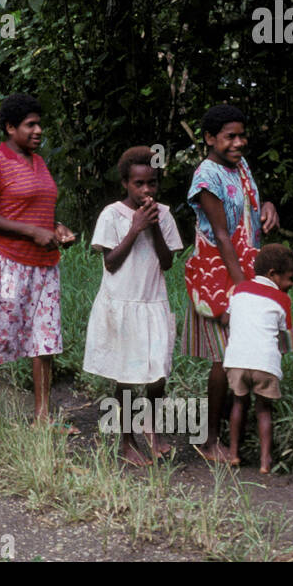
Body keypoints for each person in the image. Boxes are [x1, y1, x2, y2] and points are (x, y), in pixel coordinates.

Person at [0, 94, 77, 426]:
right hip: (8, 264)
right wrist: (29, 232)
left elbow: (38, 210)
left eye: (39, 124)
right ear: (10, 128)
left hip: (45, 266)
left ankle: (42, 416)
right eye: (29, 125)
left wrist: (56, 228)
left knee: (45, 338)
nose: (38, 131)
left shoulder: (39, 162)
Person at [182, 104, 281, 462]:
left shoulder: (239, 166)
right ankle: (208, 439)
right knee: (224, 358)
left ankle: (227, 433)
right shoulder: (206, 178)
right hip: (217, 276)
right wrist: (245, 291)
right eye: (229, 136)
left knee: (239, 353)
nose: (238, 142)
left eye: (242, 135)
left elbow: (248, 209)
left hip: (244, 269)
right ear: (210, 139)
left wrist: (267, 204)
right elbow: (222, 236)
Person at [84, 146, 184, 465]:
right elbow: (111, 262)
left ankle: (151, 428)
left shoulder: (164, 215)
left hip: (152, 300)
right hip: (121, 304)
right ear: (125, 183)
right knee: (126, 376)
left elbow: (167, 262)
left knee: (157, 374)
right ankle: (126, 442)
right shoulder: (112, 215)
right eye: (138, 184)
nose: (145, 190)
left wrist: (152, 224)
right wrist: (136, 226)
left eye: (151, 183)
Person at [223, 243, 293, 473]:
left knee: (238, 403)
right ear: (272, 274)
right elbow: (286, 339)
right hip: (264, 363)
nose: (292, 284)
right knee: (264, 409)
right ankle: (265, 461)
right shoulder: (282, 300)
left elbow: (226, 320)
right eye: (289, 278)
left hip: (236, 360)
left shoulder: (239, 290)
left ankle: (234, 454)